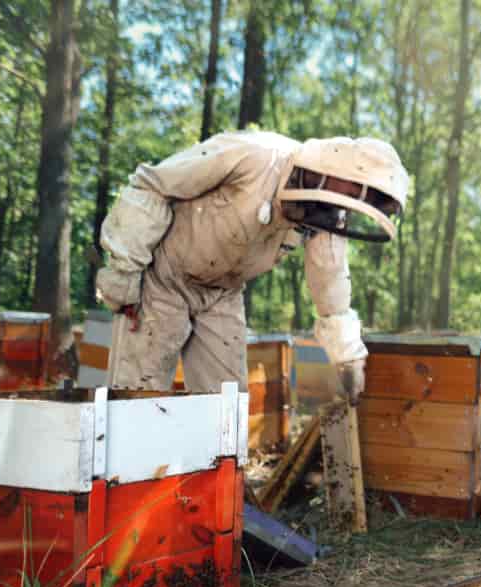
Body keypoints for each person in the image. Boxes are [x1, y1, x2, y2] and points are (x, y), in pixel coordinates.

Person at [95, 131, 410, 403]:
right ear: (337, 172)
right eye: (357, 194)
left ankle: (211, 476)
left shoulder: (325, 216)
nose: (347, 209)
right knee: (137, 400)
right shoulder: (254, 155)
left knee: (226, 409)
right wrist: (124, 271)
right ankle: (131, 475)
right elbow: (153, 185)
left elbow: (331, 290)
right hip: (162, 280)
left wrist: (348, 359)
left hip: (223, 295)